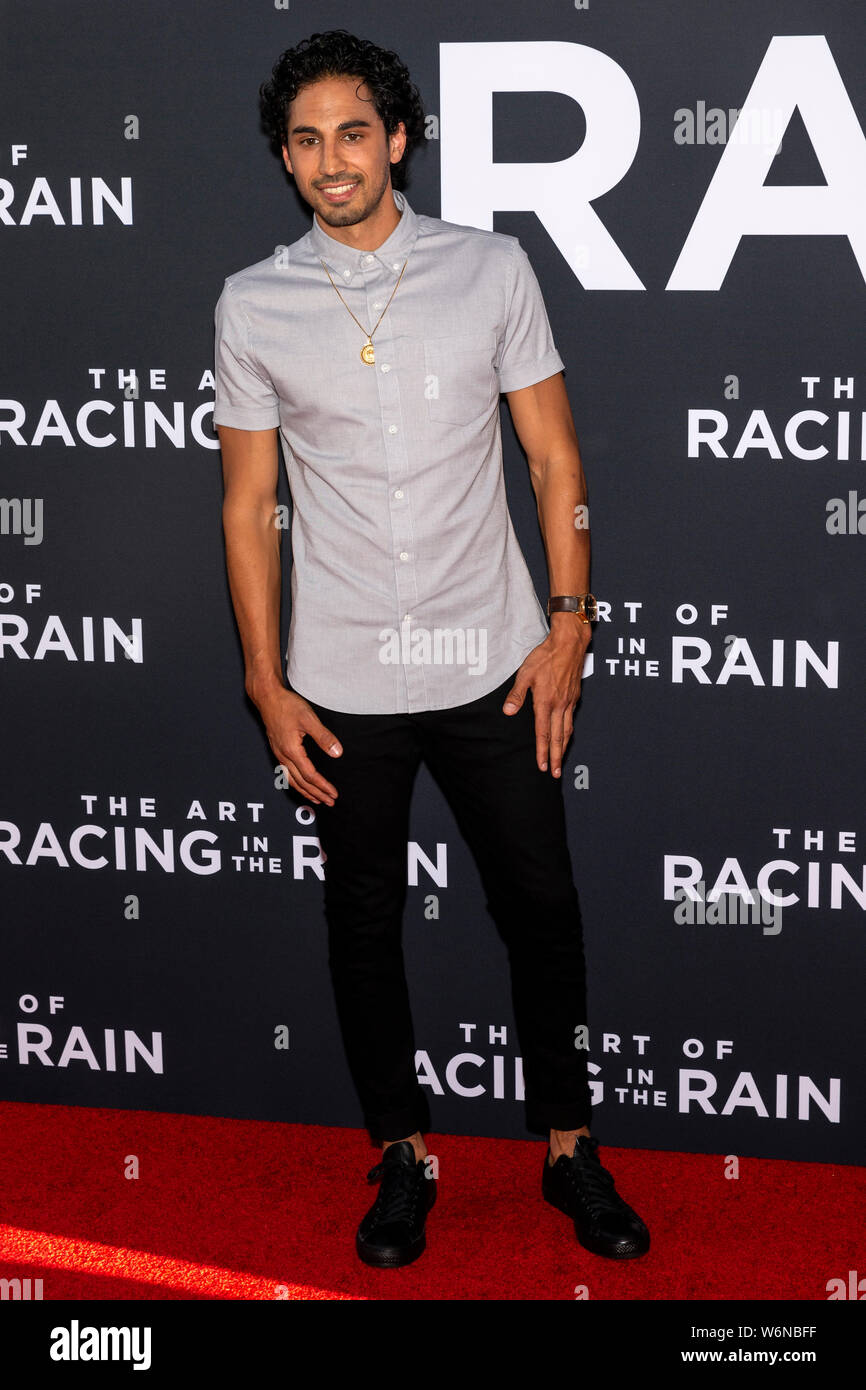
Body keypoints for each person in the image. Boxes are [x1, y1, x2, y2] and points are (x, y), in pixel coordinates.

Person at [214, 28, 649, 1269]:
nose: (330, 159)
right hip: (341, 675)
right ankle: (401, 1156)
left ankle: (569, 1150)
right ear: (286, 160)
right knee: (361, 925)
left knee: (542, 909)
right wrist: (263, 677)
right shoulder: (254, 301)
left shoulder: (488, 267)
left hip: (494, 656)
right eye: (305, 139)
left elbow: (554, 459)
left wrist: (570, 626)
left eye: (353, 131)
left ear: (397, 138)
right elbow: (249, 507)